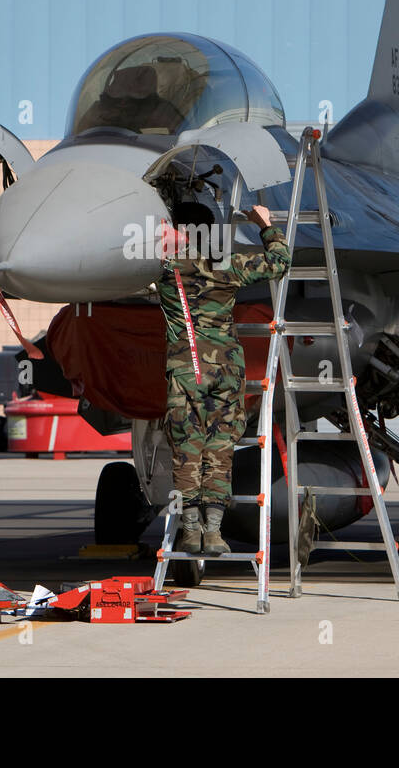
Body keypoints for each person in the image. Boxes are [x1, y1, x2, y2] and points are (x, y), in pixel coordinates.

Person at [157, 201, 290, 553]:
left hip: (185, 369)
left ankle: (190, 530)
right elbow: (280, 262)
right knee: (220, 447)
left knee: (187, 448)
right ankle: (214, 533)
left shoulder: (164, 266)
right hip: (225, 371)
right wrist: (266, 225)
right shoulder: (227, 264)